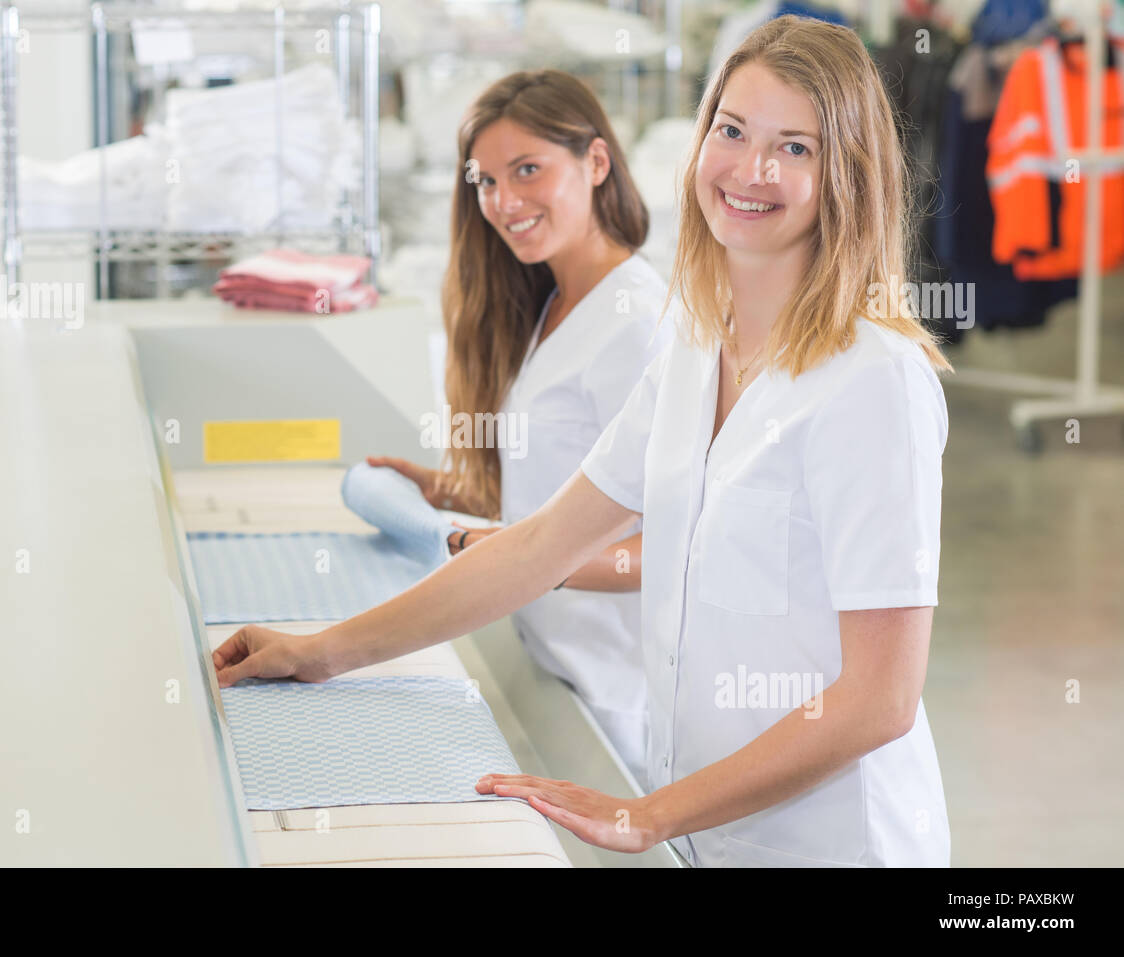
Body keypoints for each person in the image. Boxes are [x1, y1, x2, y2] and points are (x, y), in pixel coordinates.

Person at [215, 16, 953, 866]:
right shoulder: (694, 346)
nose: (751, 170)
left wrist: (651, 814)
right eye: (733, 130)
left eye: (796, 148)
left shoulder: (873, 382)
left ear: (850, 175)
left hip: (834, 846)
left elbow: (879, 699)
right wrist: (319, 650)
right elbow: (537, 546)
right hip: (711, 829)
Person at [364, 70, 672, 784]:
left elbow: (664, 550)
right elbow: (574, 492)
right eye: (486, 181)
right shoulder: (554, 300)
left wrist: (509, 552)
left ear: (596, 163)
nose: (504, 202)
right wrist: (453, 492)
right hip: (559, 671)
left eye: (528, 170)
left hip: (618, 698)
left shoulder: (633, 323)